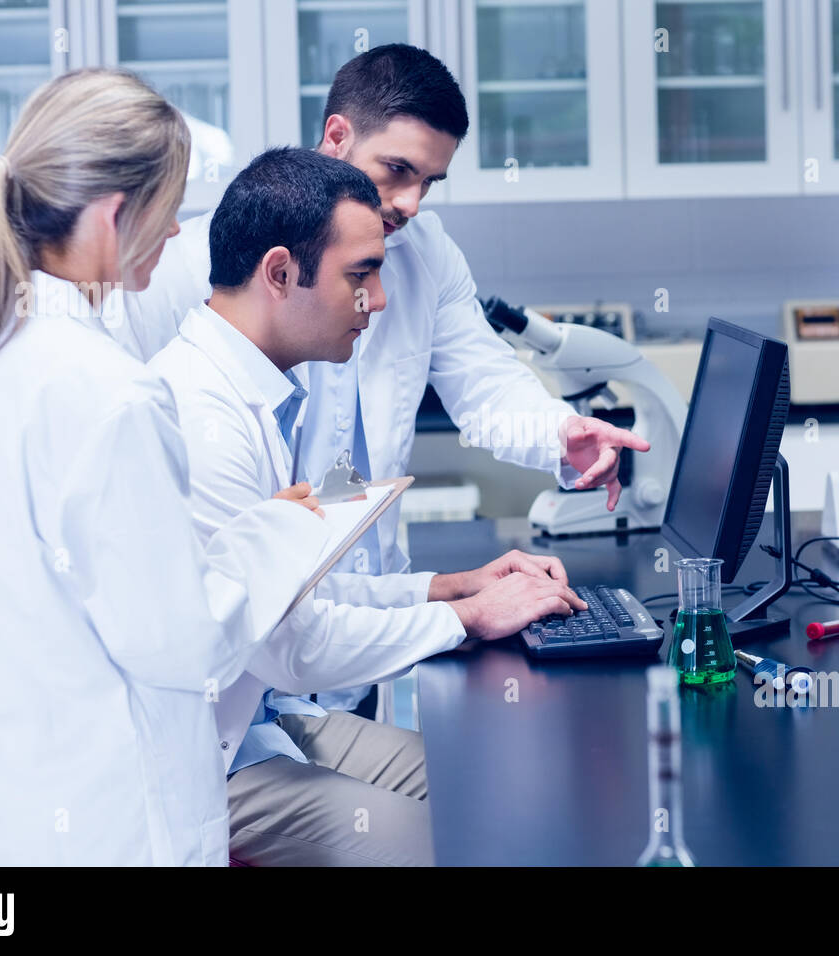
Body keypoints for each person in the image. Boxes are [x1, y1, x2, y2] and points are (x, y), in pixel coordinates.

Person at [0, 69, 331, 866]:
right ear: (117, 215)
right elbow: (186, 647)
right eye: (175, 209)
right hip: (110, 828)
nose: (182, 235)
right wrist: (283, 533)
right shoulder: (107, 390)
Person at [113, 43, 650, 713]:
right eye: (396, 170)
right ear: (337, 135)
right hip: (243, 664)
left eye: (428, 181)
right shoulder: (198, 265)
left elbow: (485, 386)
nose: (410, 203)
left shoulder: (426, 258)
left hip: (362, 628)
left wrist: (558, 433)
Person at [150, 146, 586, 865]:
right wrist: (465, 619)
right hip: (207, 763)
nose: (378, 302)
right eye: (362, 276)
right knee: (444, 846)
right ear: (281, 274)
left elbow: (288, 594)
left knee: (494, 785)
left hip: (259, 721)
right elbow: (291, 648)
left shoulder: (254, 394)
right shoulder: (206, 420)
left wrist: (446, 586)